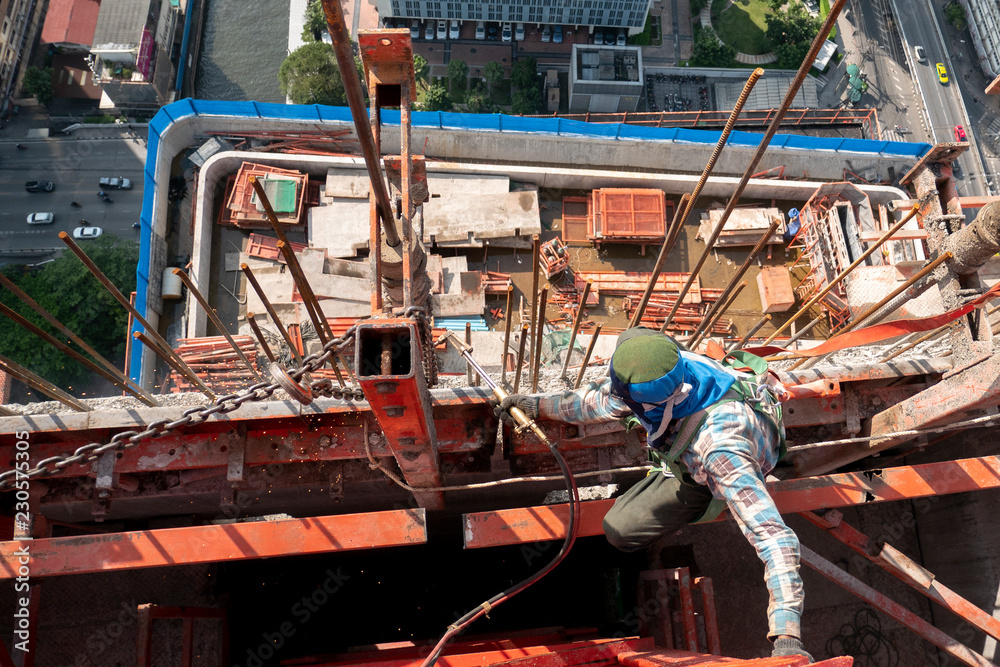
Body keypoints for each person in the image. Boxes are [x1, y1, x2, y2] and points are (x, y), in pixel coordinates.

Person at [501, 327, 811, 662]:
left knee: (619, 529)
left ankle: (699, 493)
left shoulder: (722, 454)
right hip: (724, 418)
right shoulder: (672, 361)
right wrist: (538, 406)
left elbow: (775, 539)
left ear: (655, 402)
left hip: (725, 460)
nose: (619, 402)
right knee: (632, 336)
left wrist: (786, 633)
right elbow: (601, 401)